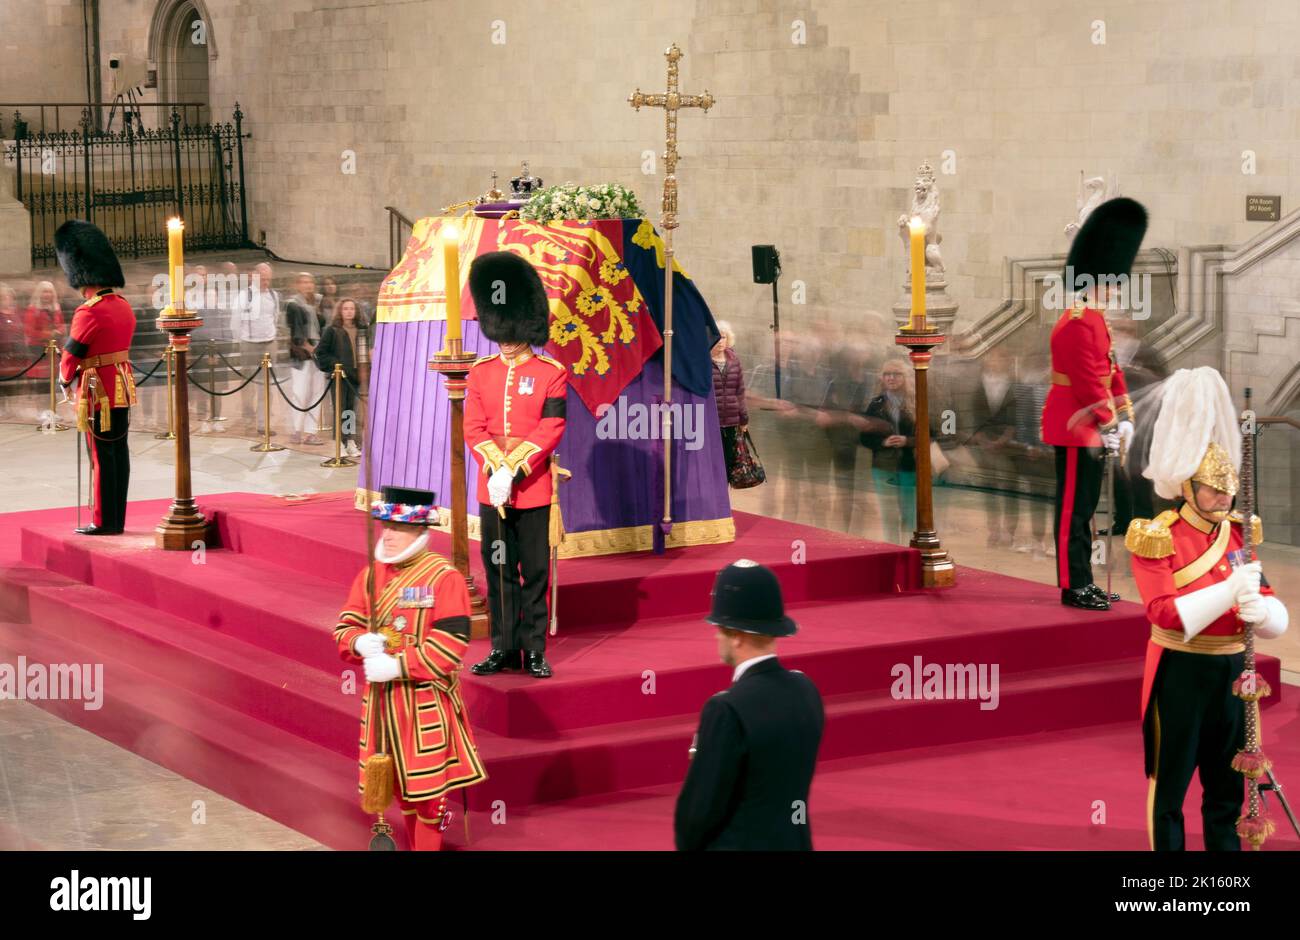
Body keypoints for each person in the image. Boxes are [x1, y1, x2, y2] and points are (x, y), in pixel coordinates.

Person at [1127, 367, 1289, 851]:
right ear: (1189, 486)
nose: (1225, 497)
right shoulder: (1158, 534)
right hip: (1181, 670)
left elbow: (1261, 593)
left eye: (1228, 489)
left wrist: (1267, 614)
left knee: (1226, 788)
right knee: (1171, 788)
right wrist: (1228, 593)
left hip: (1231, 674)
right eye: (1214, 489)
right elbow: (1163, 612)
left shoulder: (1237, 533)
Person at [334, 485, 487, 851]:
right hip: (383, 706)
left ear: (420, 532)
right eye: (385, 526)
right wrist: (357, 642)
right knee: (399, 790)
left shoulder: (444, 578)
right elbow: (346, 624)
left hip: (424, 706)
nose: (386, 534)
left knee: (429, 798)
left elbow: (450, 648)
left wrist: (398, 665)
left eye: (396, 528)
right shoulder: (371, 575)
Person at [465, 252, 568, 680]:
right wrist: (496, 470)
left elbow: (553, 425)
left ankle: (535, 650)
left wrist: (515, 468)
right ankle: (504, 649)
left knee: (535, 573)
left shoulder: (551, 372)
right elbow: (473, 428)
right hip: (493, 488)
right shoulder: (480, 372)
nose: (505, 339)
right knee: (499, 569)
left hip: (533, 488)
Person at [674, 560, 824, 850]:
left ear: (736, 635)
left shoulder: (727, 709)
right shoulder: (806, 690)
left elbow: (698, 814)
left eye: (719, 628)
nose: (716, 636)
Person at [1041, 197, 1146, 610]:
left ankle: (1085, 580)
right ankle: (1073, 584)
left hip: (1091, 425)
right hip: (1074, 425)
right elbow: (1085, 382)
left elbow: (1111, 370)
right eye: (1112, 282)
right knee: (1074, 509)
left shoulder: (1096, 320)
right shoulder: (1078, 321)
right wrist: (1107, 423)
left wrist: (1124, 418)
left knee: (1087, 509)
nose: (1116, 289)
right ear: (1094, 281)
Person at [54, 220, 136, 536]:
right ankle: (117, 518)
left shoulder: (89, 311)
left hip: (95, 388)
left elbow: (71, 354)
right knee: (119, 452)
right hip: (122, 385)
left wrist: (64, 379)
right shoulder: (123, 307)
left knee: (101, 455)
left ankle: (103, 520)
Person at [858, 357, 918, 545]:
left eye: (896, 374)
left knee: (910, 512)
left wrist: (907, 441)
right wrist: (883, 442)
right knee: (889, 512)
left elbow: (931, 435)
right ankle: (893, 548)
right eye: (887, 374)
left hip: (910, 465)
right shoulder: (875, 404)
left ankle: (910, 549)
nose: (891, 378)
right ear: (881, 378)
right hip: (883, 466)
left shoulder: (917, 402)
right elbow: (864, 437)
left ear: (906, 377)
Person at [315, 297, 368, 457]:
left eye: (352, 308)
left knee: (350, 411)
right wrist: (336, 365)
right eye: (345, 308)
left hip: (354, 376)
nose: (349, 311)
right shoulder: (332, 330)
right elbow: (320, 353)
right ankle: (338, 443)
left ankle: (349, 441)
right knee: (340, 409)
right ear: (340, 311)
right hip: (338, 377)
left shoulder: (361, 329)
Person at [234, 261, 279, 425]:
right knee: (248, 382)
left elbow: (275, 316)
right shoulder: (244, 295)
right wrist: (242, 339)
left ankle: (263, 420)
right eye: (262, 279)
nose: (265, 282)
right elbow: (236, 320)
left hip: (269, 342)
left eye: (268, 279)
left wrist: (271, 334)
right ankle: (247, 414)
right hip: (249, 343)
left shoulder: (274, 295)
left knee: (267, 382)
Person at [285, 272, 326, 445]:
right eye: (304, 282)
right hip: (302, 354)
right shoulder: (293, 304)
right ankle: (296, 430)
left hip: (318, 351)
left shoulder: (317, 302)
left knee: (317, 393)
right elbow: (297, 333)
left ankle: (311, 432)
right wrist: (311, 349)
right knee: (299, 392)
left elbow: (324, 326)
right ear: (297, 285)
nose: (308, 285)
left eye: (310, 282)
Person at [711, 319, 748, 479]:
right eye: (717, 337)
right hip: (710, 422)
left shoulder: (734, 361)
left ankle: (723, 499)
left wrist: (744, 419)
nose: (720, 341)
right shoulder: (703, 361)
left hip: (731, 422)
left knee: (728, 463)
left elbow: (740, 391)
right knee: (711, 463)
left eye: (724, 337)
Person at [23, 280, 66, 378]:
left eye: (50, 291)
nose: (47, 294)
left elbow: (62, 325)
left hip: (55, 351)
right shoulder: (32, 309)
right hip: (39, 352)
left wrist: (59, 331)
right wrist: (49, 334)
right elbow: (29, 332)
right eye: (44, 291)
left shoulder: (56, 308)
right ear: (39, 293)